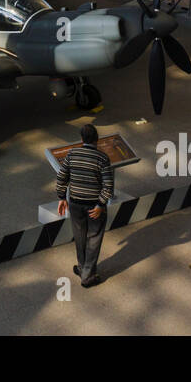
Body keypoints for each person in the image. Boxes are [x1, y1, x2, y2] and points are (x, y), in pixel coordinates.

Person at [55, 123, 113, 288]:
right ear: (97, 139)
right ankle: (87, 276)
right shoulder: (102, 158)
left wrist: (61, 197)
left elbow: (62, 176)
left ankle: (82, 267)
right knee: (93, 238)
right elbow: (108, 186)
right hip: (94, 206)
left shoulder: (72, 154)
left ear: (82, 139)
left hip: (75, 203)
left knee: (79, 235)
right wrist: (101, 204)